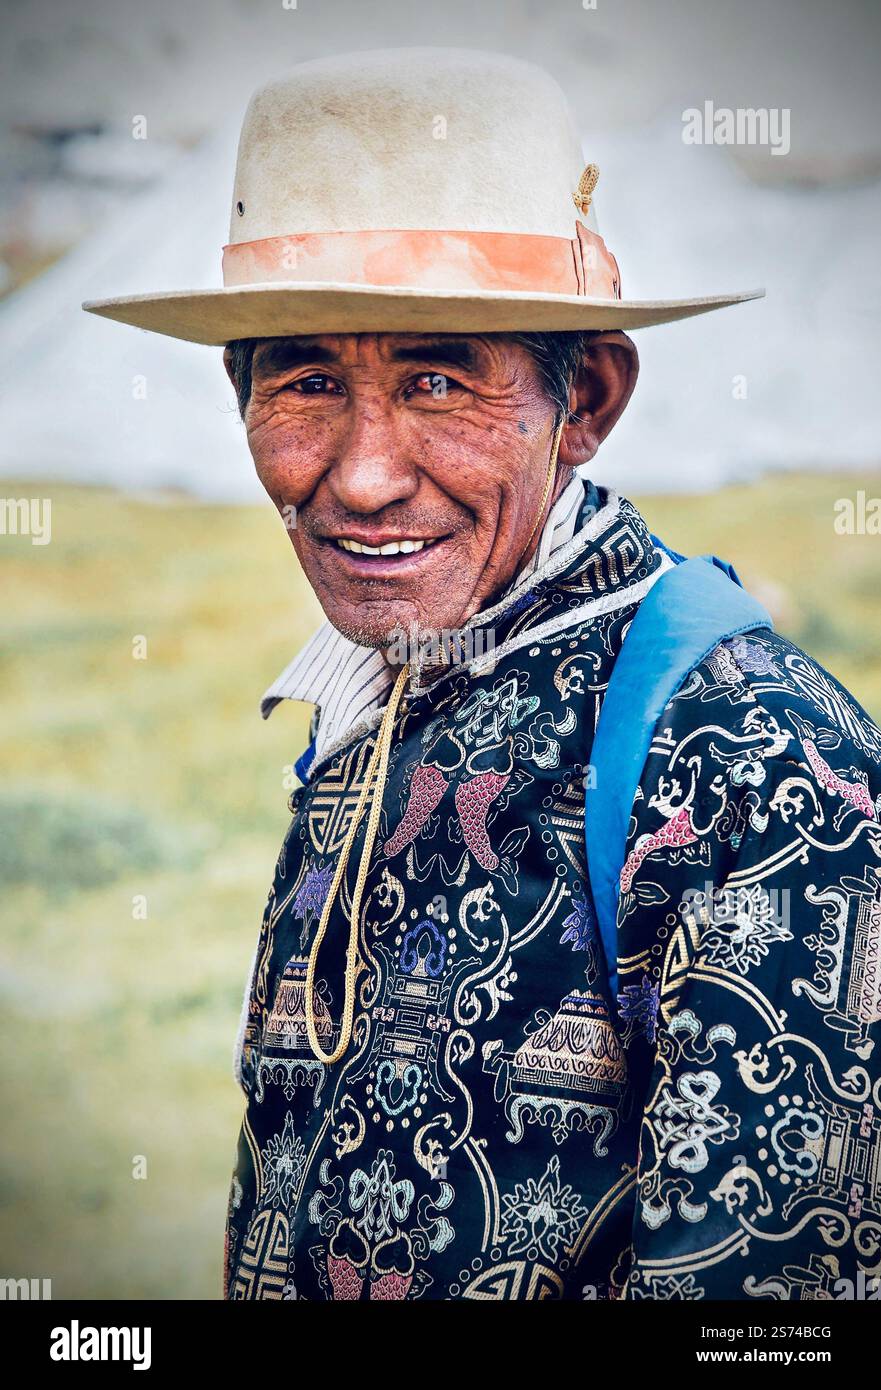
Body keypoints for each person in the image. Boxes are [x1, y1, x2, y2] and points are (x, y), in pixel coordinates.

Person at [85, 48, 881, 1301]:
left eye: (439, 380)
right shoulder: (375, 698)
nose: (358, 476)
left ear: (587, 402)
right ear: (235, 396)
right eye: (303, 382)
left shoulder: (760, 758)